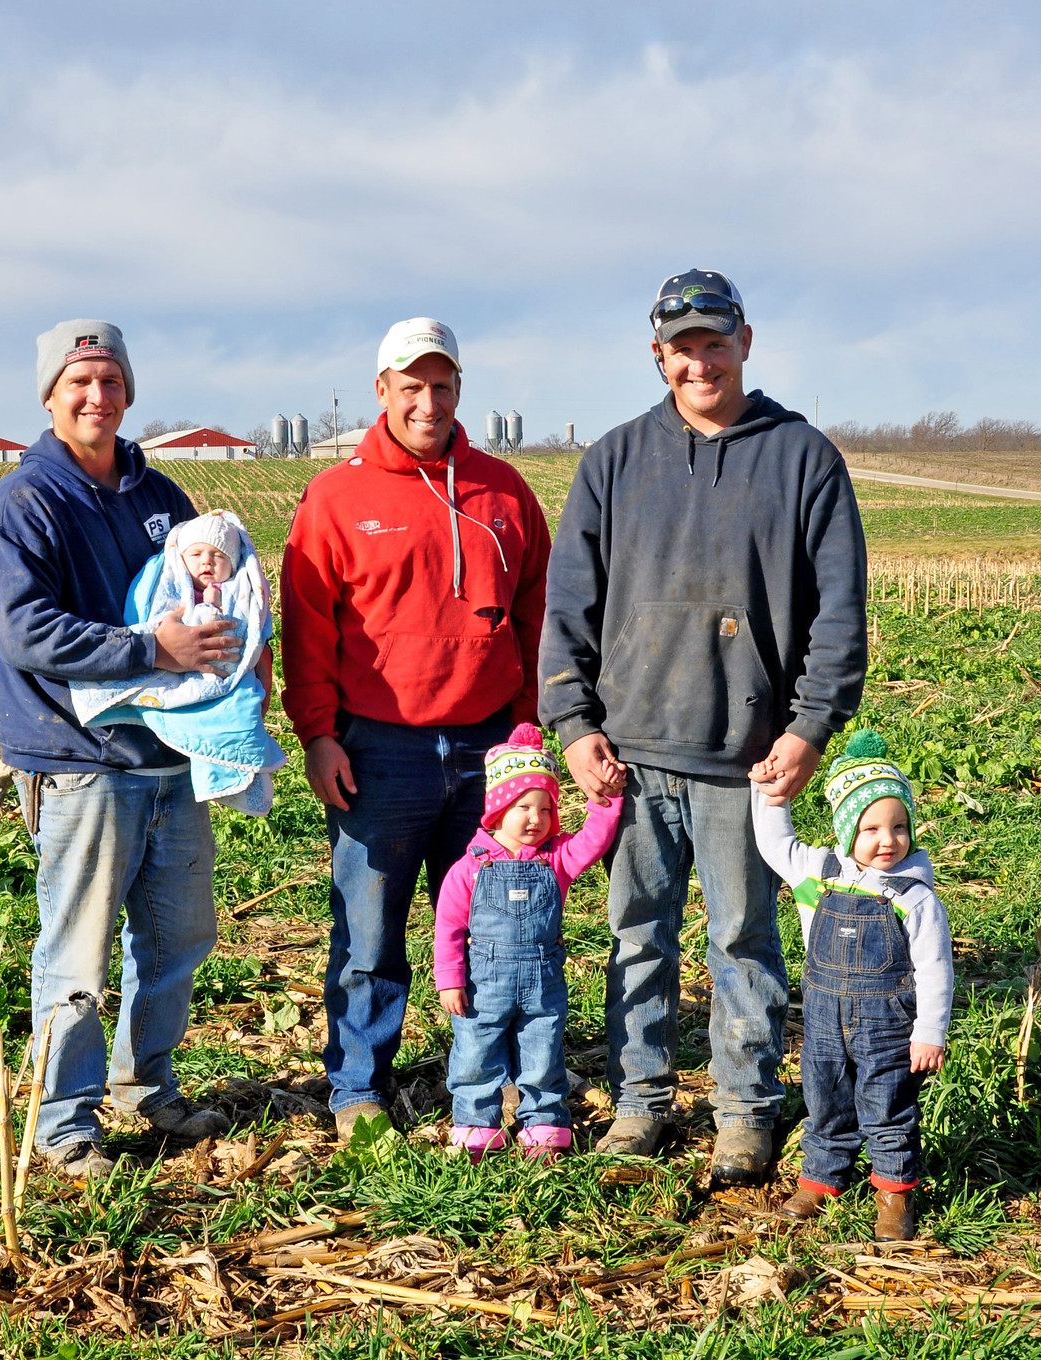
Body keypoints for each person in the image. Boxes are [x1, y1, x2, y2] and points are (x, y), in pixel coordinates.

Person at [539, 269, 868, 1186]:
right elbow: (568, 607)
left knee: (742, 942)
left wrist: (809, 726)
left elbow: (839, 613)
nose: (699, 362)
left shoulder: (803, 459)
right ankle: (640, 1104)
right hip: (631, 757)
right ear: (658, 357)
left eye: (713, 343)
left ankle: (744, 1113)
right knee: (636, 936)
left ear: (745, 343)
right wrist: (572, 722)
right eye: (680, 349)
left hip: (747, 760)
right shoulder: (613, 460)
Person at [0, 319, 247, 1181]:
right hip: (80, 763)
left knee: (178, 937)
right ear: (50, 395)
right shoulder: (19, 506)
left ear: (129, 392)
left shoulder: (159, 496)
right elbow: (28, 633)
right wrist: (152, 651)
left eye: (111, 381)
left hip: (170, 757)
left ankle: (145, 1085)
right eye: (79, 382)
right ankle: (62, 1123)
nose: (97, 397)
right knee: (80, 952)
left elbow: (203, 584)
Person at [281, 317, 552, 1141]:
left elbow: (539, 615)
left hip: (488, 748)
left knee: (498, 925)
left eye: (442, 385)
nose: (427, 402)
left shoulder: (503, 492)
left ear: (460, 388)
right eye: (411, 386)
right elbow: (307, 626)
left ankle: (493, 1076)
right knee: (370, 928)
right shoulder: (337, 497)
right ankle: (359, 1085)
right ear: (382, 391)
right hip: (379, 746)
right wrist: (319, 734)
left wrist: (531, 723)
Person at [751, 729, 951, 1241]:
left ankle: (894, 1194)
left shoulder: (915, 896)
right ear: (845, 830)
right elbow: (774, 842)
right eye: (871, 829)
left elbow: (934, 968)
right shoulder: (818, 872)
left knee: (887, 1103)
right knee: (825, 1097)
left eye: (900, 826)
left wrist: (929, 1030)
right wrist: (771, 794)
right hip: (822, 1019)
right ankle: (822, 1178)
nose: (888, 841)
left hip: (888, 1026)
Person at [433, 724, 623, 1159]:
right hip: (482, 985)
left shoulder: (557, 859)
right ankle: (475, 1125)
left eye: (544, 809)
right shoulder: (470, 867)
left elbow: (595, 839)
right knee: (475, 1054)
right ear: (497, 811)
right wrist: (450, 979)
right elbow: (449, 927)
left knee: (542, 1052)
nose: (536, 819)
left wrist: (606, 800)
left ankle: (543, 1124)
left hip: (543, 980)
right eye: (523, 807)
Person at [67, 508, 283, 814]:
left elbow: (250, 623)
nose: (206, 561)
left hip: (225, 668)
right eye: (196, 554)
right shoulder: (168, 586)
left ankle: (235, 776)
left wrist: (258, 649)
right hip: (169, 671)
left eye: (218, 555)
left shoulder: (235, 590)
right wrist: (163, 643)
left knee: (240, 711)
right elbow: (152, 619)